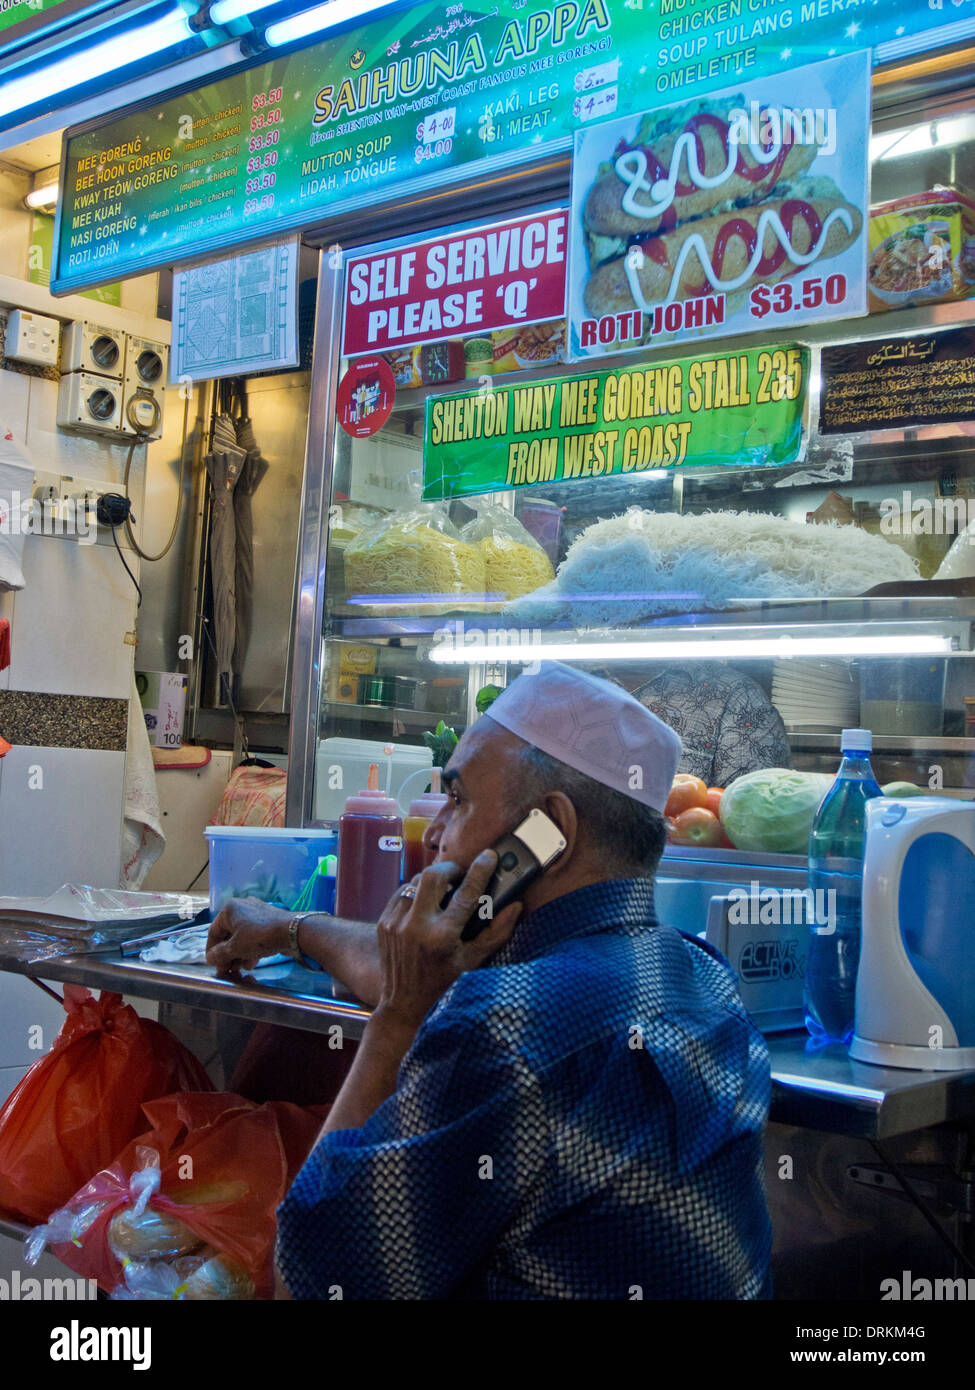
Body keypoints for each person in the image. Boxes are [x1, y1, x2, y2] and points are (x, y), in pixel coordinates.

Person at [207, 662, 773, 1300]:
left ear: (547, 834)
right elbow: (429, 966)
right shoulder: (706, 979)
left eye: (457, 799)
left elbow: (310, 1281)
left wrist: (398, 1017)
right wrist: (293, 929)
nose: (439, 831)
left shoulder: (503, 1021)